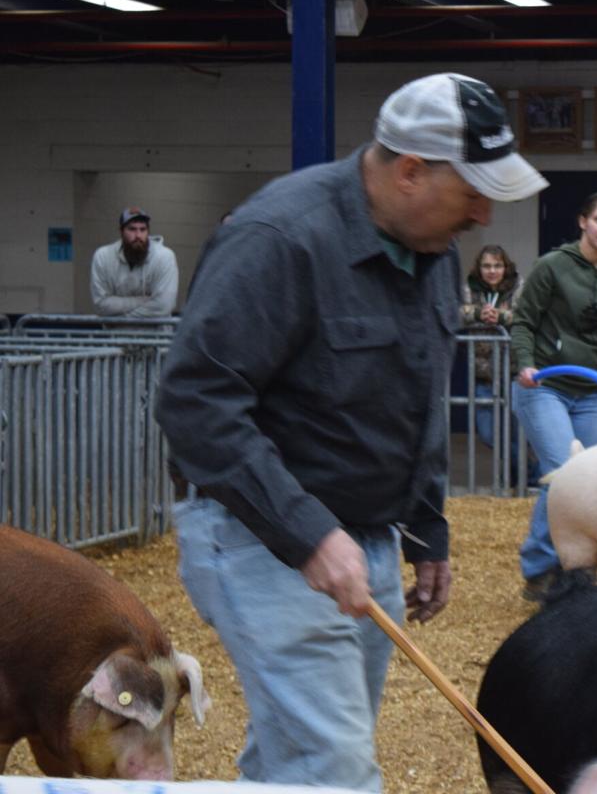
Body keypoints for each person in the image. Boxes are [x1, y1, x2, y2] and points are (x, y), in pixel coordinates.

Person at [154, 72, 547, 792]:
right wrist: (308, 533)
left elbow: (417, 395)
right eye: (472, 191)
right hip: (260, 537)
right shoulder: (280, 239)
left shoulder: (430, 249)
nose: (485, 215)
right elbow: (195, 400)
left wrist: (427, 529)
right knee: (331, 769)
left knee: (296, 761)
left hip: (362, 538)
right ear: (409, 172)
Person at [510, 191, 597, 601]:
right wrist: (524, 363)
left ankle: (574, 568)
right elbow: (523, 322)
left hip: (592, 390)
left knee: (586, 484)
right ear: (583, 222)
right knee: (563, 473)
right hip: (543, 385)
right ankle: (540, 567)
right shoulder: (552, 266)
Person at [460, 244, 522, 455]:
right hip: (483, 373)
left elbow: (529, 316)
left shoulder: (518, 286)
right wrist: (478, 314)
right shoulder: (469, 288)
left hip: (514, 371)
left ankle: (521, 479)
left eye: (497, 265)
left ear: (506, 267)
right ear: (479, 268)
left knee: (515, 432)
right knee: (488, 434)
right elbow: (453, 313)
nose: (492, 271)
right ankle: (525, 473)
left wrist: (502, 317)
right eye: (487, 266)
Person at [90, 206, 178, 317]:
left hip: (155, 334)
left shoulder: (164, 257)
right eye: (132, 229)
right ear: (121, 231)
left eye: (143, 229)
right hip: (116, 334)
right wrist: (144, 300)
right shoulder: (103, 256)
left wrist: (121, 319)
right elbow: (100, 305)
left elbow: (163, 305)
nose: (138, 236)